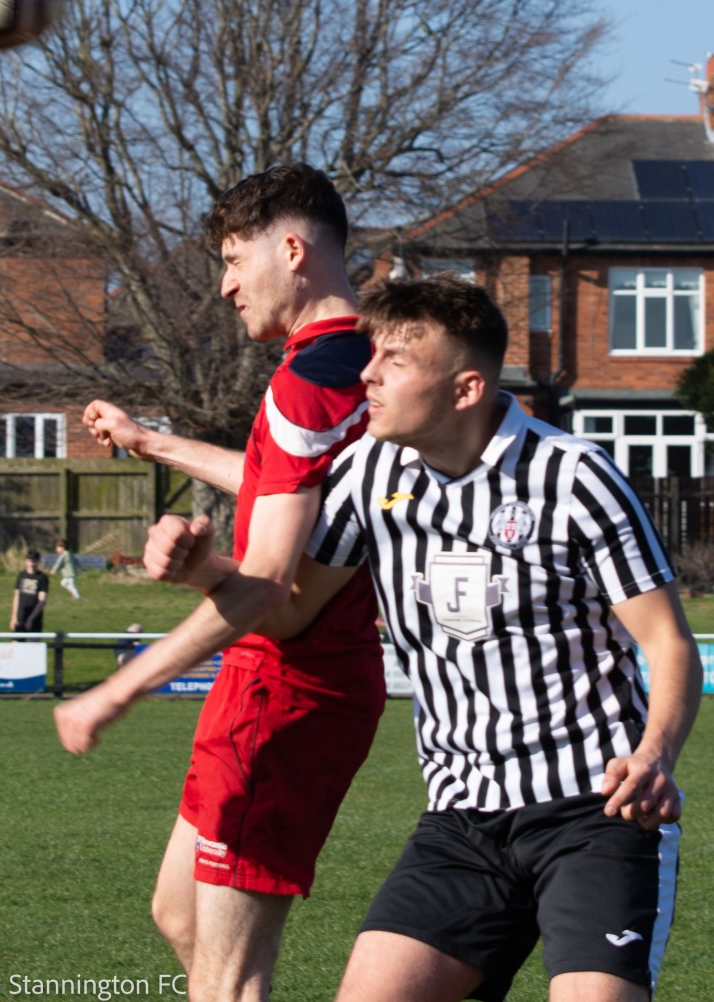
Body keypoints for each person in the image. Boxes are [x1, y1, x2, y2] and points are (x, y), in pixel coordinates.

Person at [297, 273, 703, 1002]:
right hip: (460, 819)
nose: (367, 375)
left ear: (464, 389)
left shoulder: (576, 477)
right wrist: (204, 566)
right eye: (372, 355)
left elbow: (668, 641)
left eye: (395, 360)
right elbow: (291, 604)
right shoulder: (367, 471)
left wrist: (654, 756)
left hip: (596, 812)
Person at [53, 163, 385, 1002]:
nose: (228, 288)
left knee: (225, 978)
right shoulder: (357, 364)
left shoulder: (310, 383)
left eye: (236, 262)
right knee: (181, 916)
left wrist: (114, 691)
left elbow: (270, 584)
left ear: (295, 250)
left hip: (290, 686)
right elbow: (286, 485)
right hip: (288, 678)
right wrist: (150, 440)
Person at [9, 549, 49, 633]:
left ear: (38, 561)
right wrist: (14, 617)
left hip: (35, 618)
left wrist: (31, 619)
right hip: (20, 616)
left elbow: (42, 600)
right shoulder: (21, 575)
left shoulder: (42, 578)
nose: (31, 564)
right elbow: (16, 596)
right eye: (29, 561)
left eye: (34, 561)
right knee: (16, 644)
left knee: (35, 644)